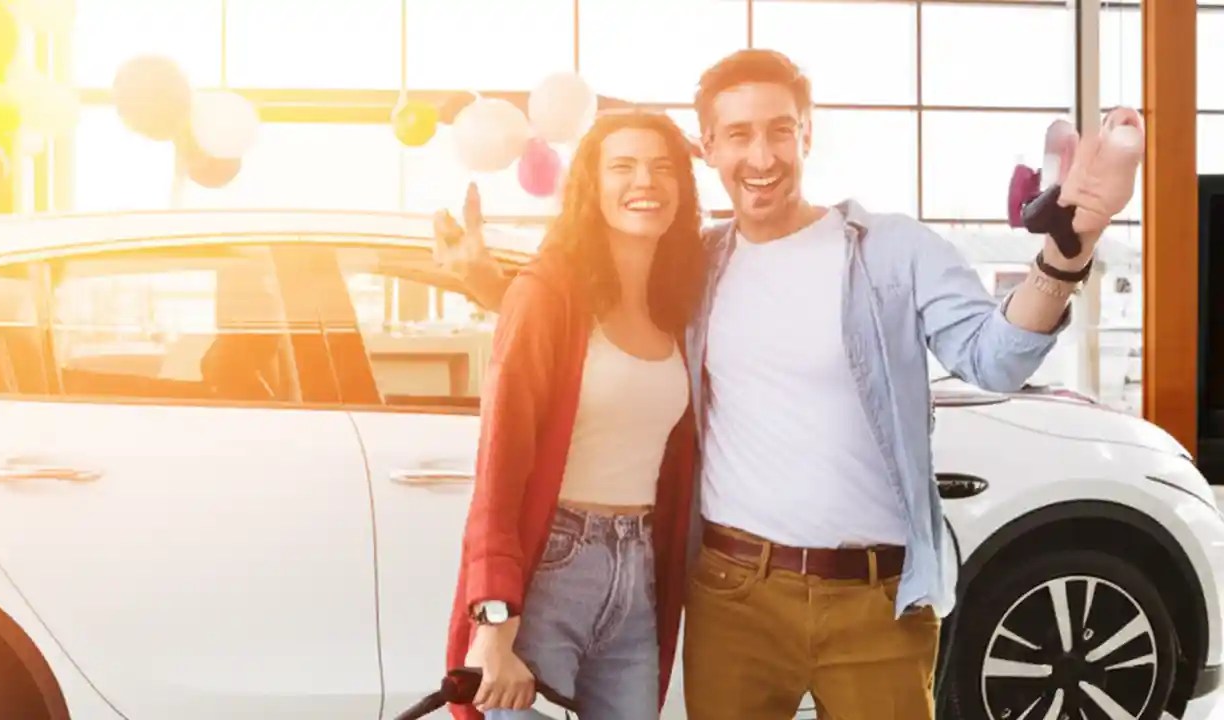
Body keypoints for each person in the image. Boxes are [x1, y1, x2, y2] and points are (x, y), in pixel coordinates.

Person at [437, 50, 1141, 720]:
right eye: (738, 134)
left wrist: (1064, 251)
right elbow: (581, 333)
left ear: (807, 134)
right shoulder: (698, 268)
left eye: (780, 130)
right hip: (731, 596)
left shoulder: (891, 250)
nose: (762, 155)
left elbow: (997, 359)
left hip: (879, 601)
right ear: (709, 149)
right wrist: (491, 284)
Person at [441, 110, 708, 720]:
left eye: (664, 168)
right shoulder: (549, 294)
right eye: (624, 166)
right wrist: (494, 621)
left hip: (638, 574)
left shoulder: (680, 303)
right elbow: (499, 469)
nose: (646, 180)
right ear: (591, 184)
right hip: (552, 566)